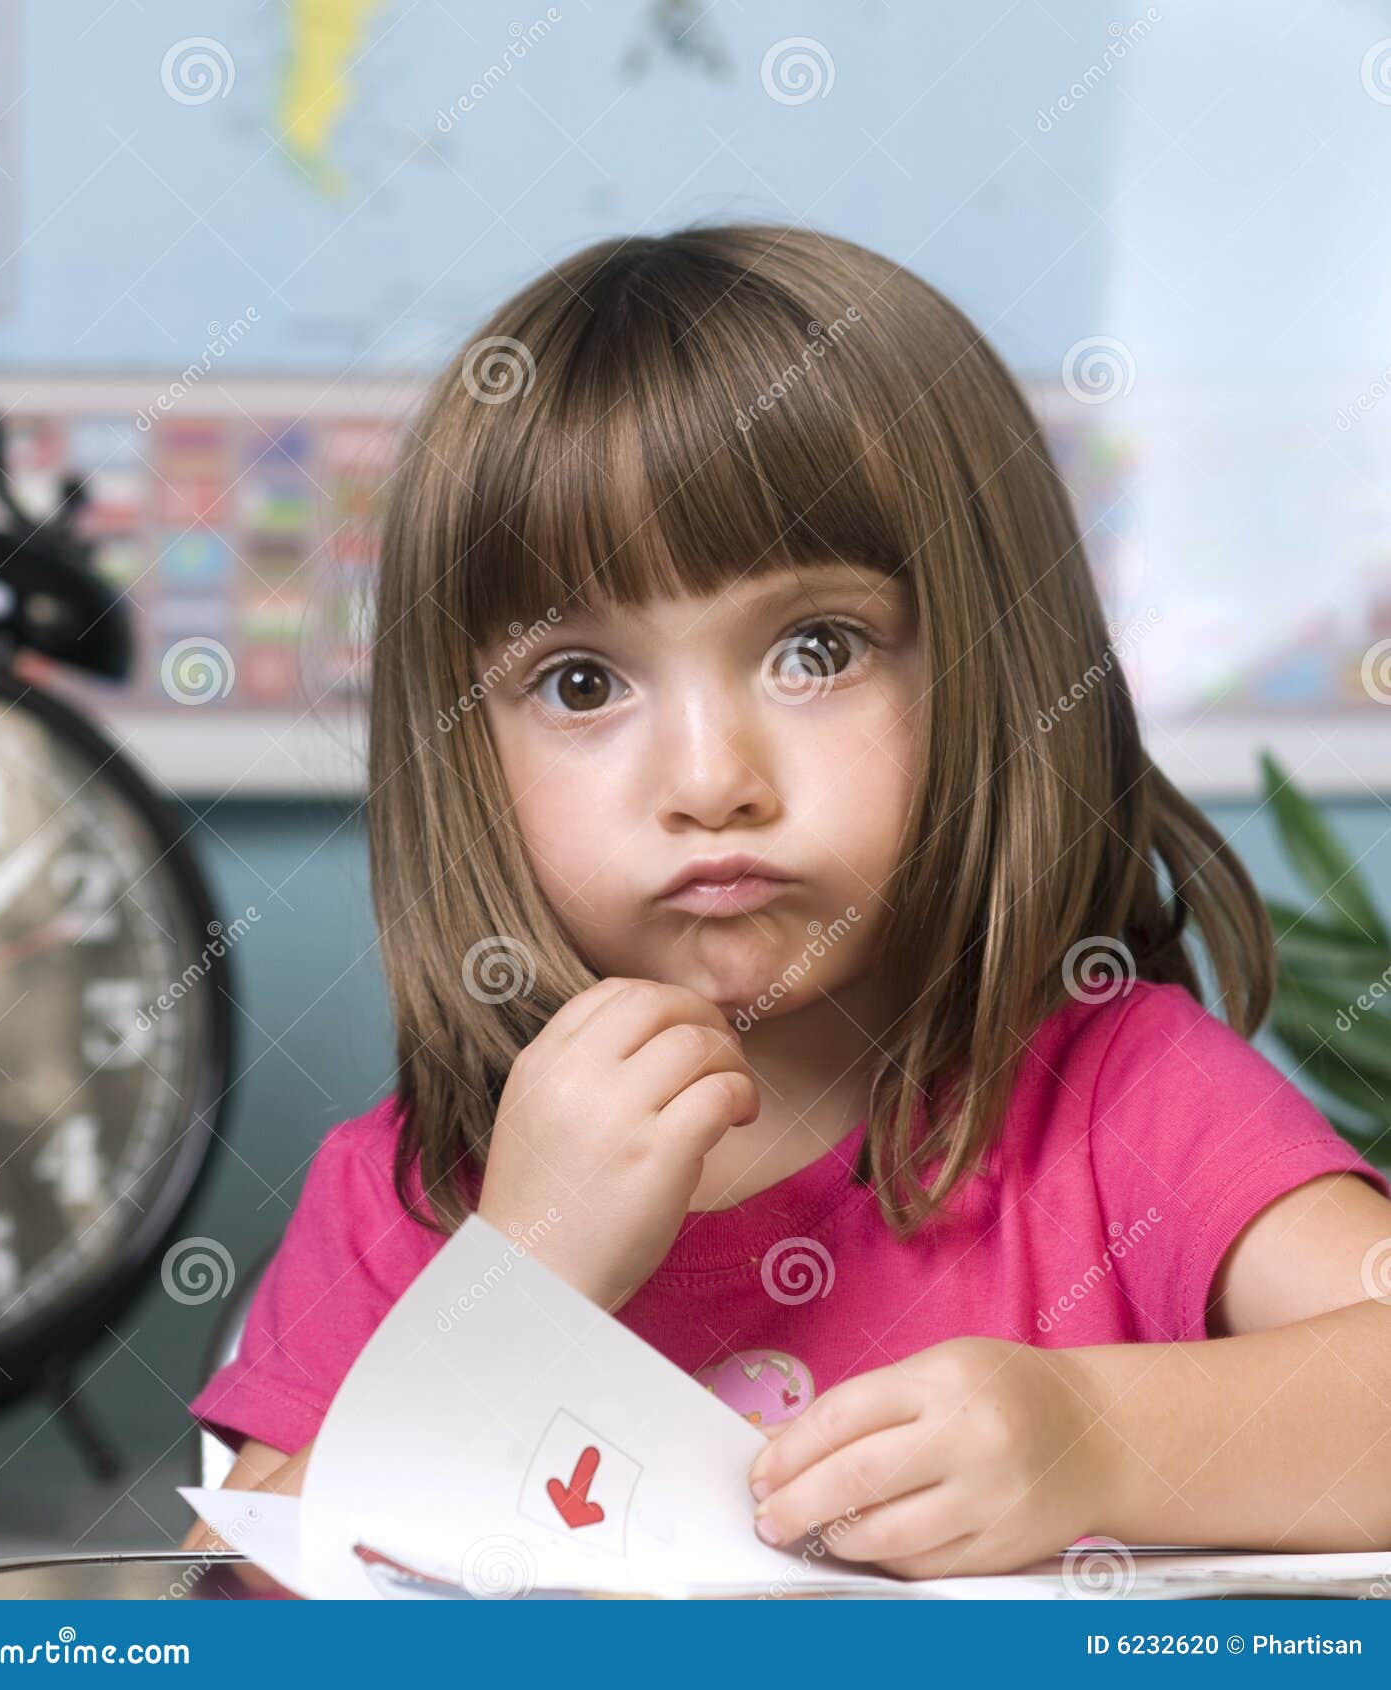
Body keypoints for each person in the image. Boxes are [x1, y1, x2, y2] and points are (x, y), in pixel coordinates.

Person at [181, 223, 1391, 1579]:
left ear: (994, 667)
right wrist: (519, 1280)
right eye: (581, 683)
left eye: (817, 649)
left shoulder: (1118, 1100)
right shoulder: (421, 1184)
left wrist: (1094, 1436)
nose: (709, 781)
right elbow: (230, 1609)